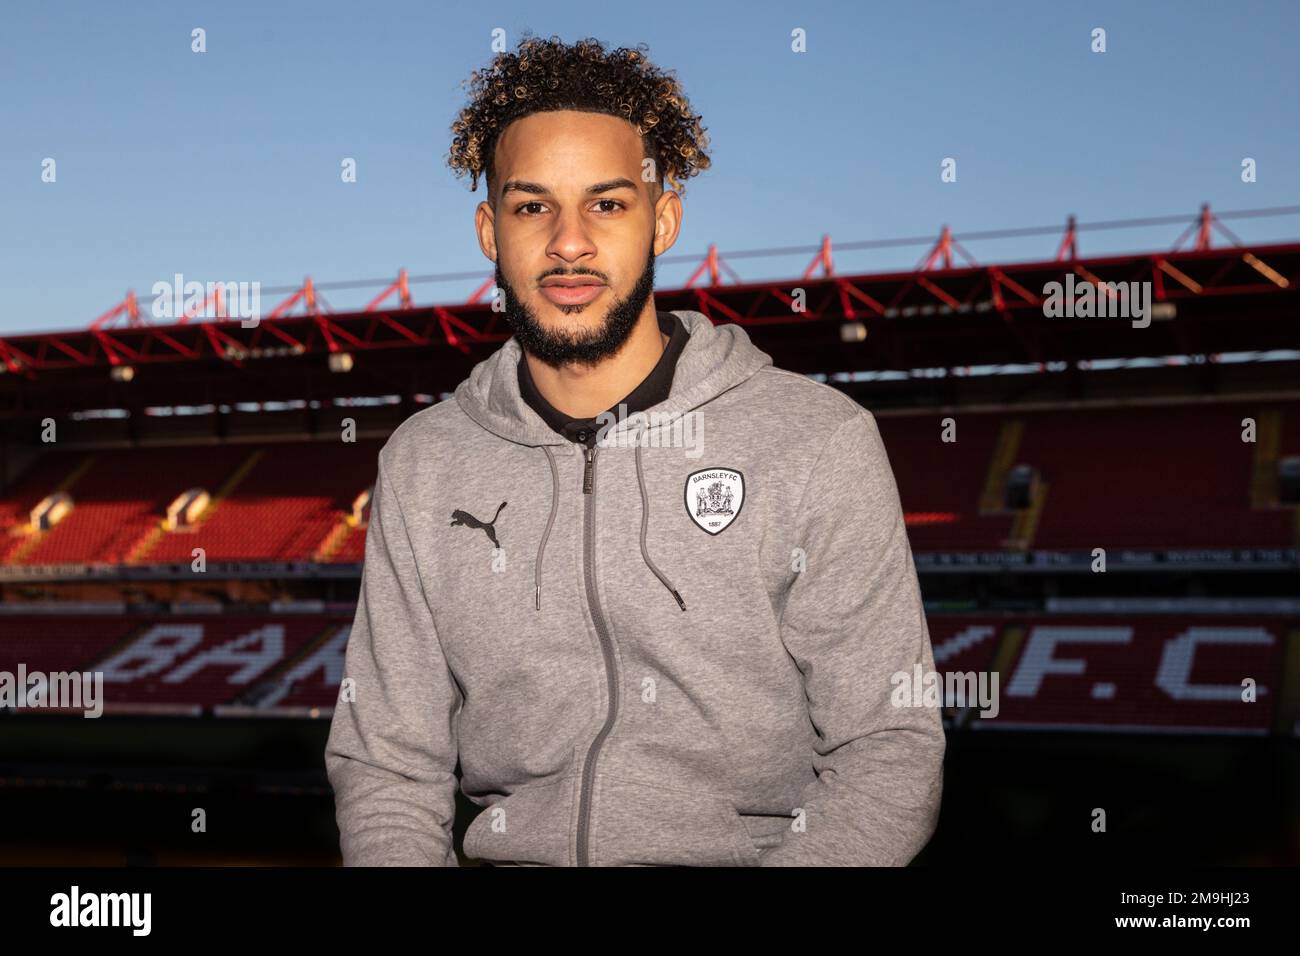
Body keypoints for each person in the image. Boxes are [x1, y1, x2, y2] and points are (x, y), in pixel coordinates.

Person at [324, 34, 945, 867]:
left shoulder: (817, 438)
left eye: (608, 204)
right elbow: (387, 763)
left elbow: (888, 749)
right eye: (532, 205)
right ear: (488, 229)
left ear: (664, 217)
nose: (569, 242)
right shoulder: (424, 461)